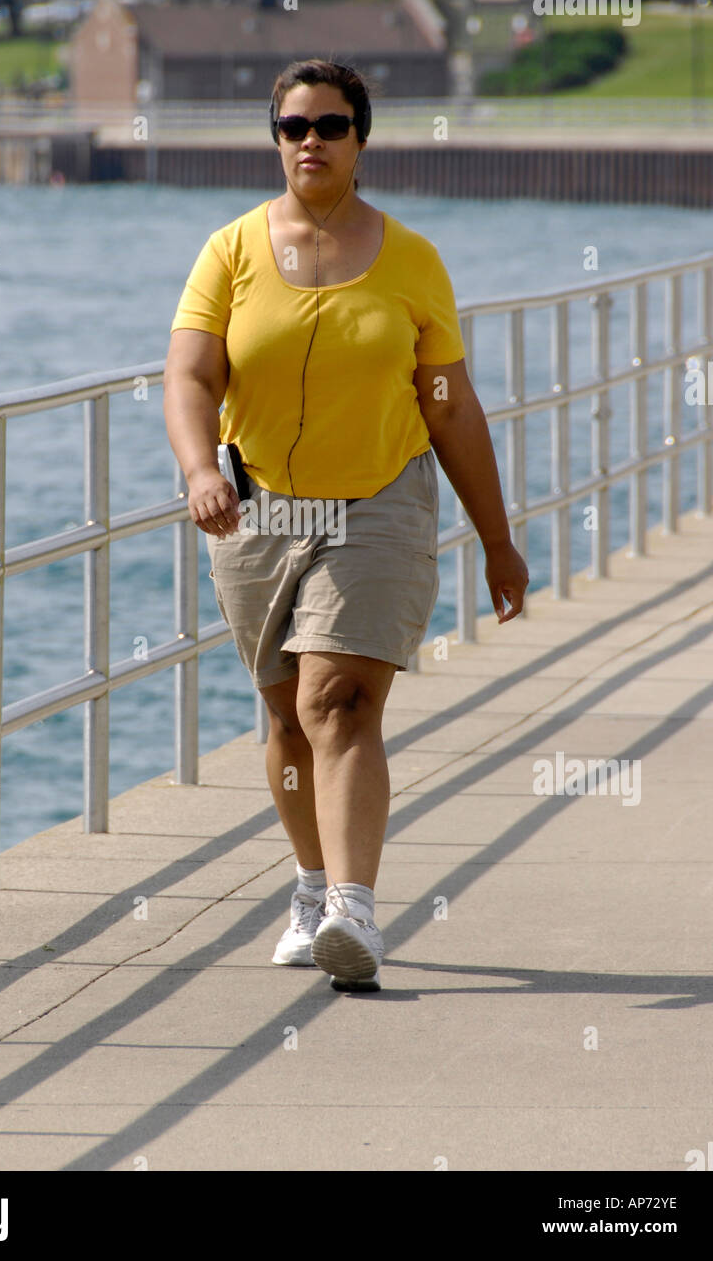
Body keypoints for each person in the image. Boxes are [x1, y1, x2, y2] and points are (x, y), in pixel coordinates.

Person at [163, 58, 528, 992]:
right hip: (260, 511)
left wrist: (496, 538)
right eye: (293, 127)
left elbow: (447, 406)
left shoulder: (411, 259)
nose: (310, 141)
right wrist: (203, 468)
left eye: (330, 125)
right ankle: (311, 884)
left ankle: (354, 913)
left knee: (341, 701)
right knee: (287, 717)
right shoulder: (231, 250)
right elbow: (193, 376)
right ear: (276, 139)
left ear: (362, 139)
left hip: (379, 502)